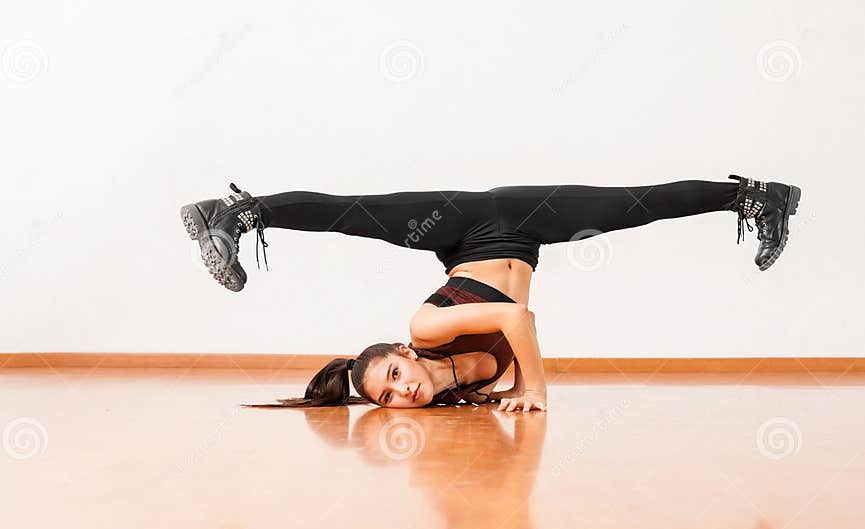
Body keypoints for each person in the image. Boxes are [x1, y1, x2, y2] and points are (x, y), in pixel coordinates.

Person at [180, 175, 801, 411]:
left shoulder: (425, 329)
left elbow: (515, 316)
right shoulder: (461, 387)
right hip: (523, 238)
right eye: (389, 397)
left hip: (479, 219)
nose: (403, 388)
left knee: (358, 213)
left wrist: (533, 386)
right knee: (632, 211)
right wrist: (506, 388)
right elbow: (509, 334)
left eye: (393, 373)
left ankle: (236, 214)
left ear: (404, 350)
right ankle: (234, 217)